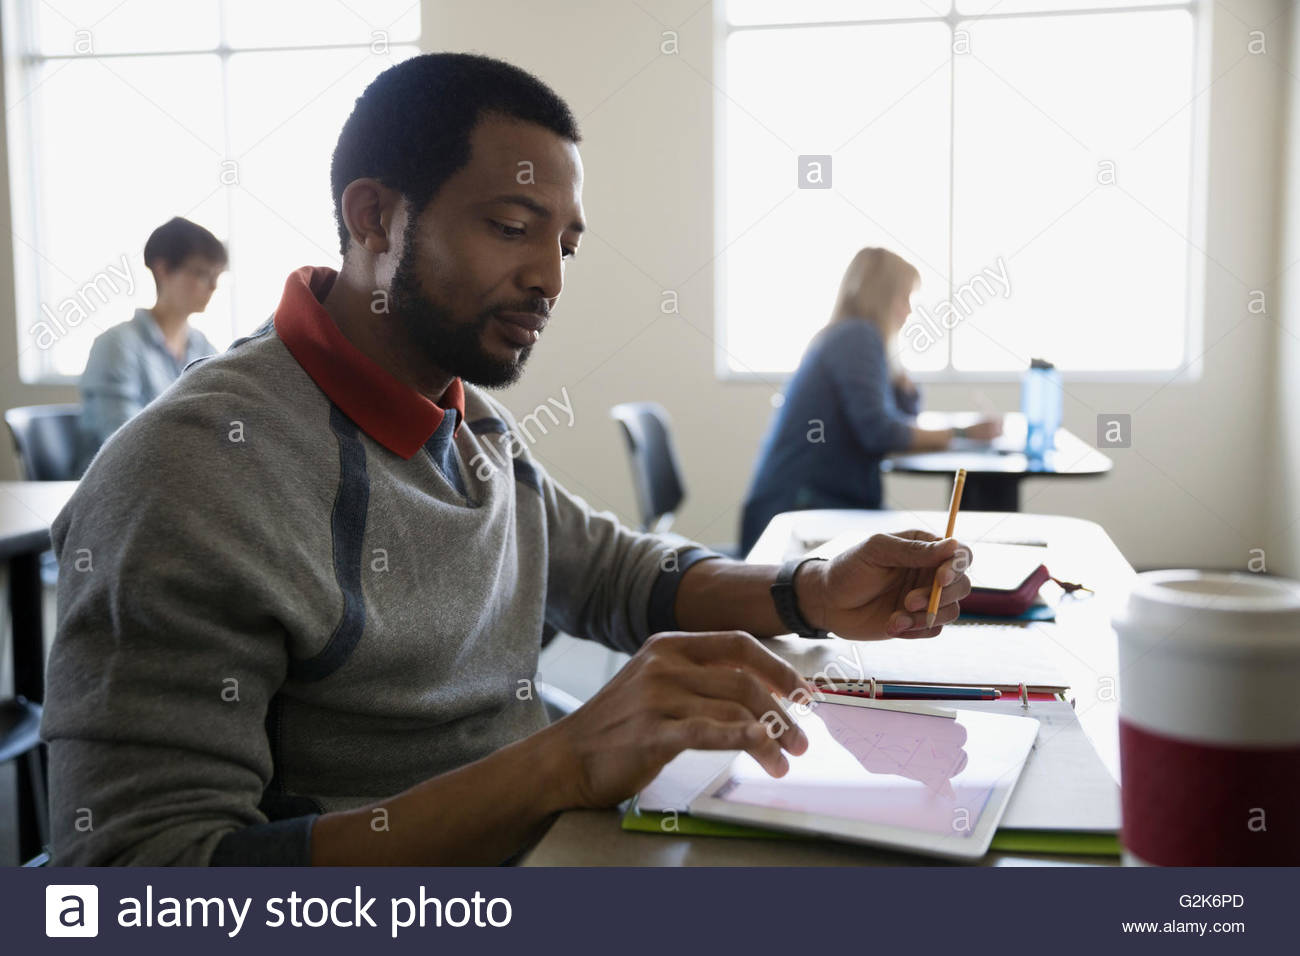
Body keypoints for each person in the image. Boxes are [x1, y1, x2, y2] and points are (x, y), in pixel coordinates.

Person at [43, 54, 974, 866]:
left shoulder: (471, 422)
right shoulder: (192, 473)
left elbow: (614, 571)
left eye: (565, 244)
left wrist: (814, 590)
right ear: (374, 219)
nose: (552, 278)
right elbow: (139, 884)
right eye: (513, 226)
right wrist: (558, 765)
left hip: (552, 848)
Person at [739, 248, 1003, 555]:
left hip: (810, 504)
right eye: (903, 298)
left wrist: (899, 374)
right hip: (799, 511)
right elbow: (881, 432)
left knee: (929, 544)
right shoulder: (856, 337)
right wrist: (963, 433)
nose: (908, 311)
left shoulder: (852, 338)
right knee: (931, 549)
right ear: (882, 298)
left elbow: (901, 417)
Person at [76, 216, 225, 474]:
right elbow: (121, 442)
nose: (212, 286)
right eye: (202, 273)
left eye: (217, 276)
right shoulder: (117, 345)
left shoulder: (203, 348)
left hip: (174, 480)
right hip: (114, 484)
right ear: (163, 270)